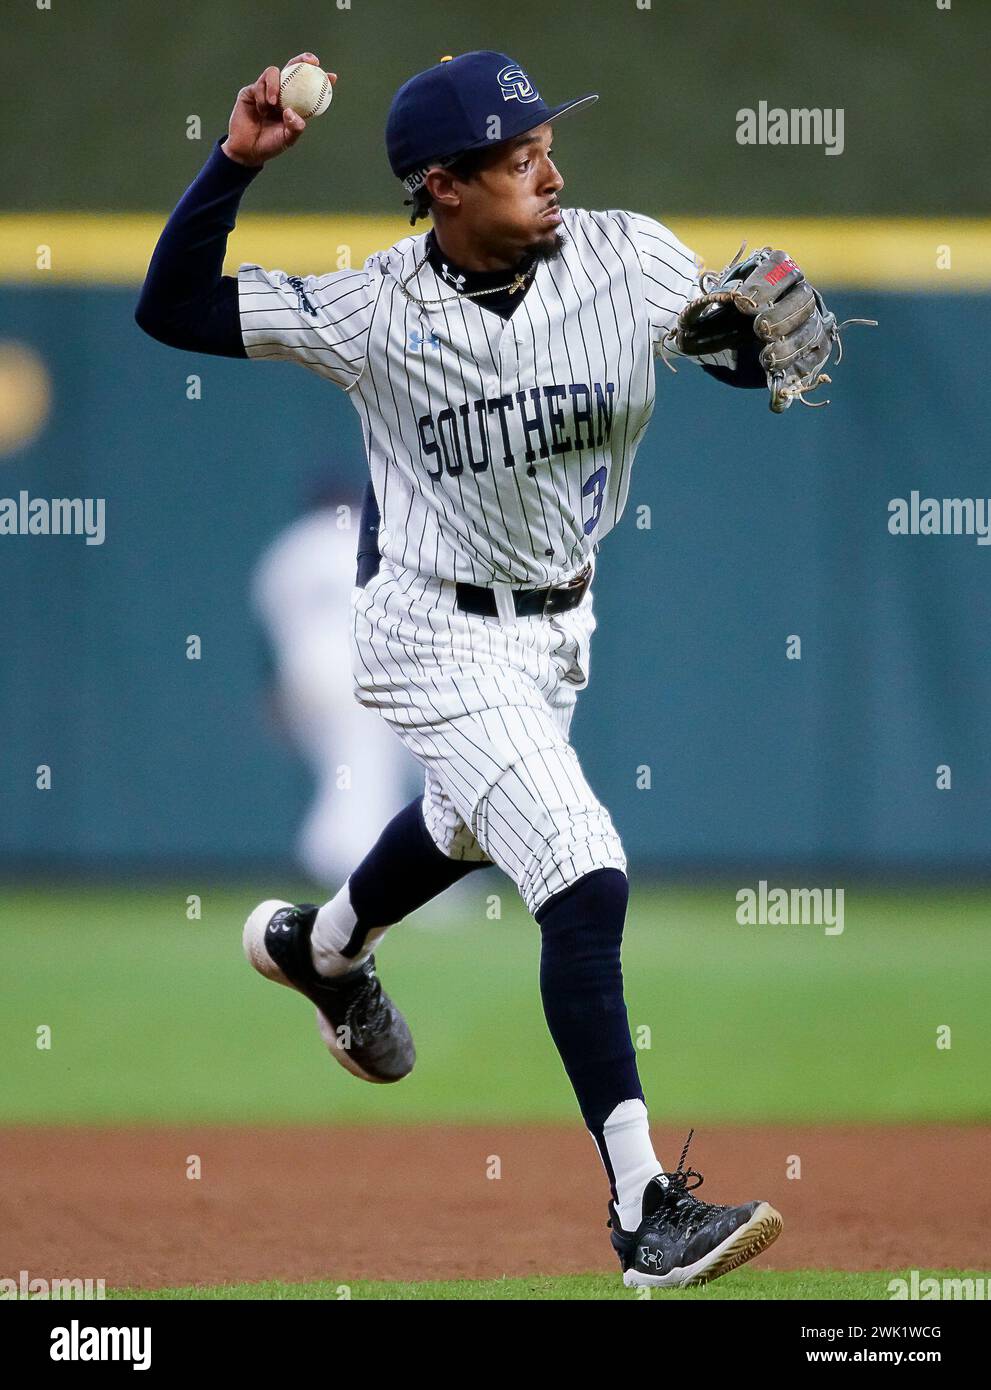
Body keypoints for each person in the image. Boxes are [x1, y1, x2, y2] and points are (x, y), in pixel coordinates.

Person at [136, 49, 792, 1289]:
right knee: (580, 871)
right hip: (430, 627)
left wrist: (749, 350)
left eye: (548, 142)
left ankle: (321, 948)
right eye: (517, 157)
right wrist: (234, 163)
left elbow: (732, 345)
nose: (551, 171)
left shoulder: (625, 254)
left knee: (462, 821)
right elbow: (170, 306)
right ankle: (644, 1209)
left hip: (556, 629)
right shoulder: (372, 309)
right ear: (441, 185)